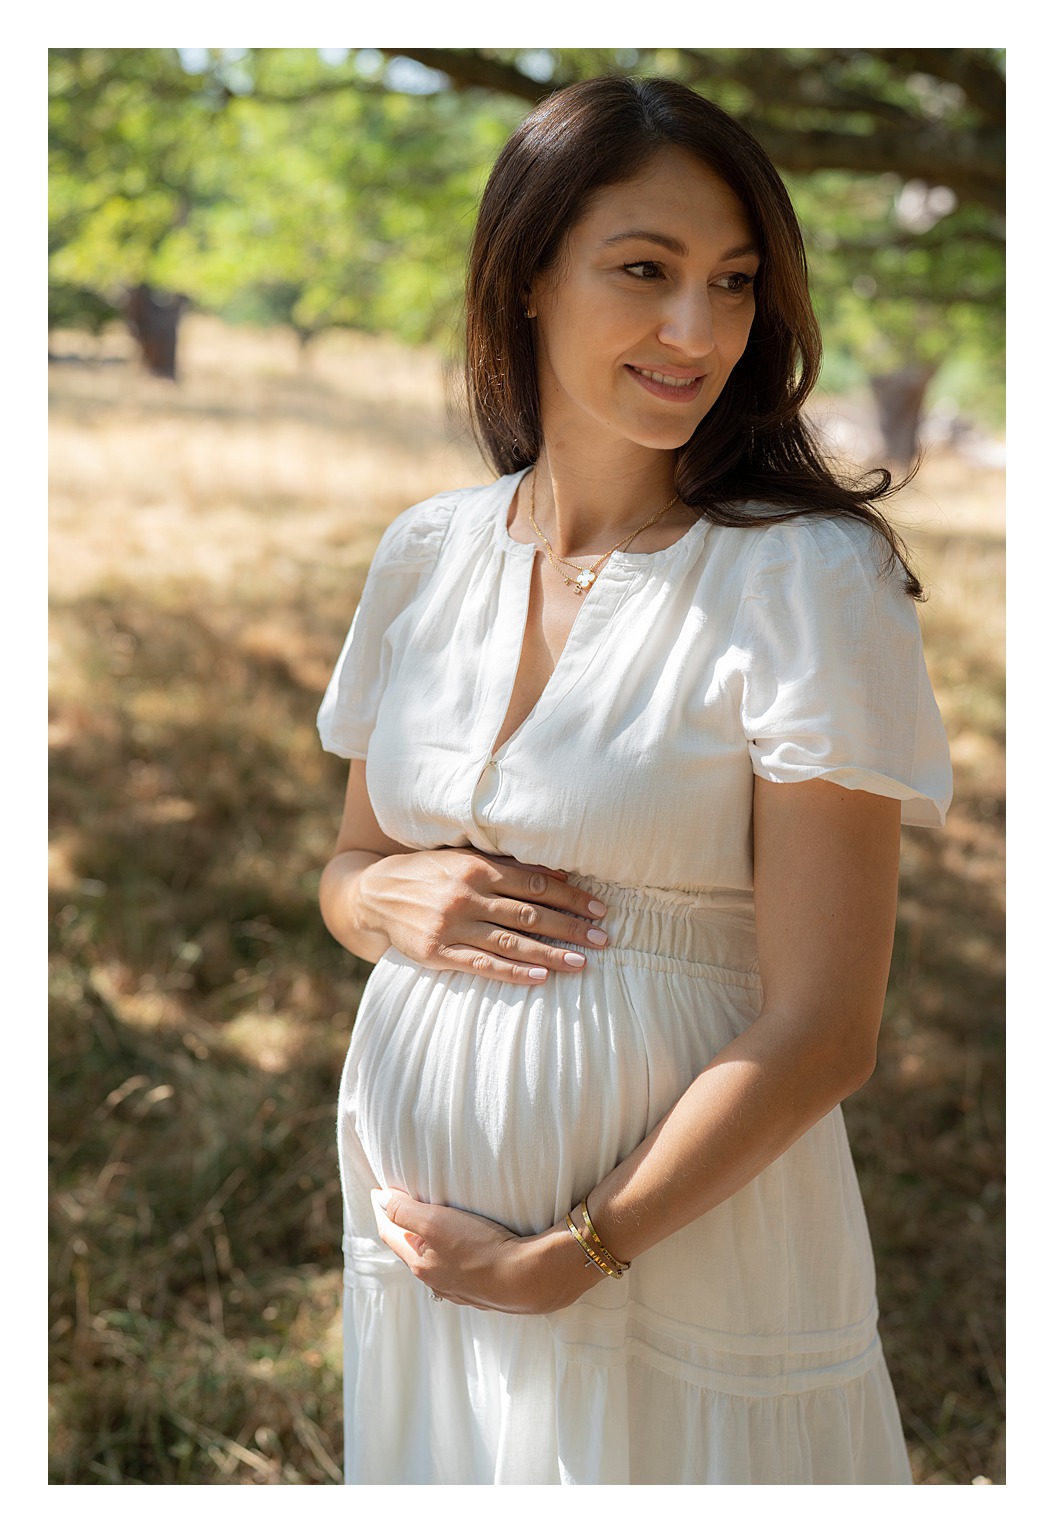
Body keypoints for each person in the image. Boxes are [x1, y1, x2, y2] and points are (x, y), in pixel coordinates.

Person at [316, 74, 952, 1485]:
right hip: (419, 1243)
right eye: (643, 271)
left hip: (679, 1258)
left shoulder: (805, 579)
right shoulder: (428, 549)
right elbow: (349, 870)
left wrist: (576, 1249)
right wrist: (384, 902)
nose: (695, 330)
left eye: (731, 284)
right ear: (527, 276)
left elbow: (826, 1027)